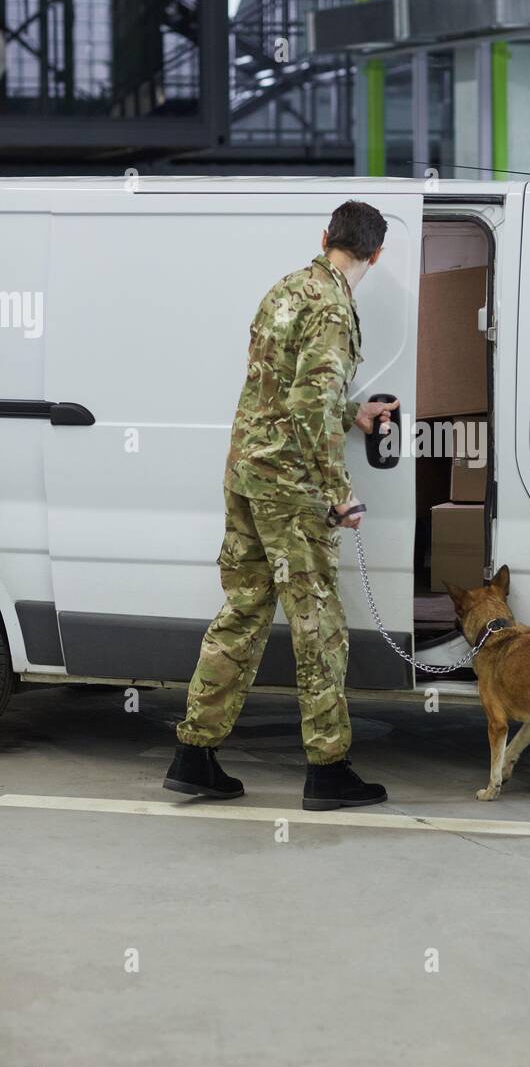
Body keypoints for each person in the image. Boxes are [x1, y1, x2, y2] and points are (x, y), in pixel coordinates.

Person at [163, 201, 397, 809]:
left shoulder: (286, 290)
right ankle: (328, 770)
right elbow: (310, 407)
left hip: (246, 474)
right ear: (376, 254)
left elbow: (282, 388)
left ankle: (194, 754)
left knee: (243, 612)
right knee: (319, 626)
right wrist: (341, 494)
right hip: (290, 489)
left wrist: (355, 413)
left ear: (325, 237)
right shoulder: (334, 309)